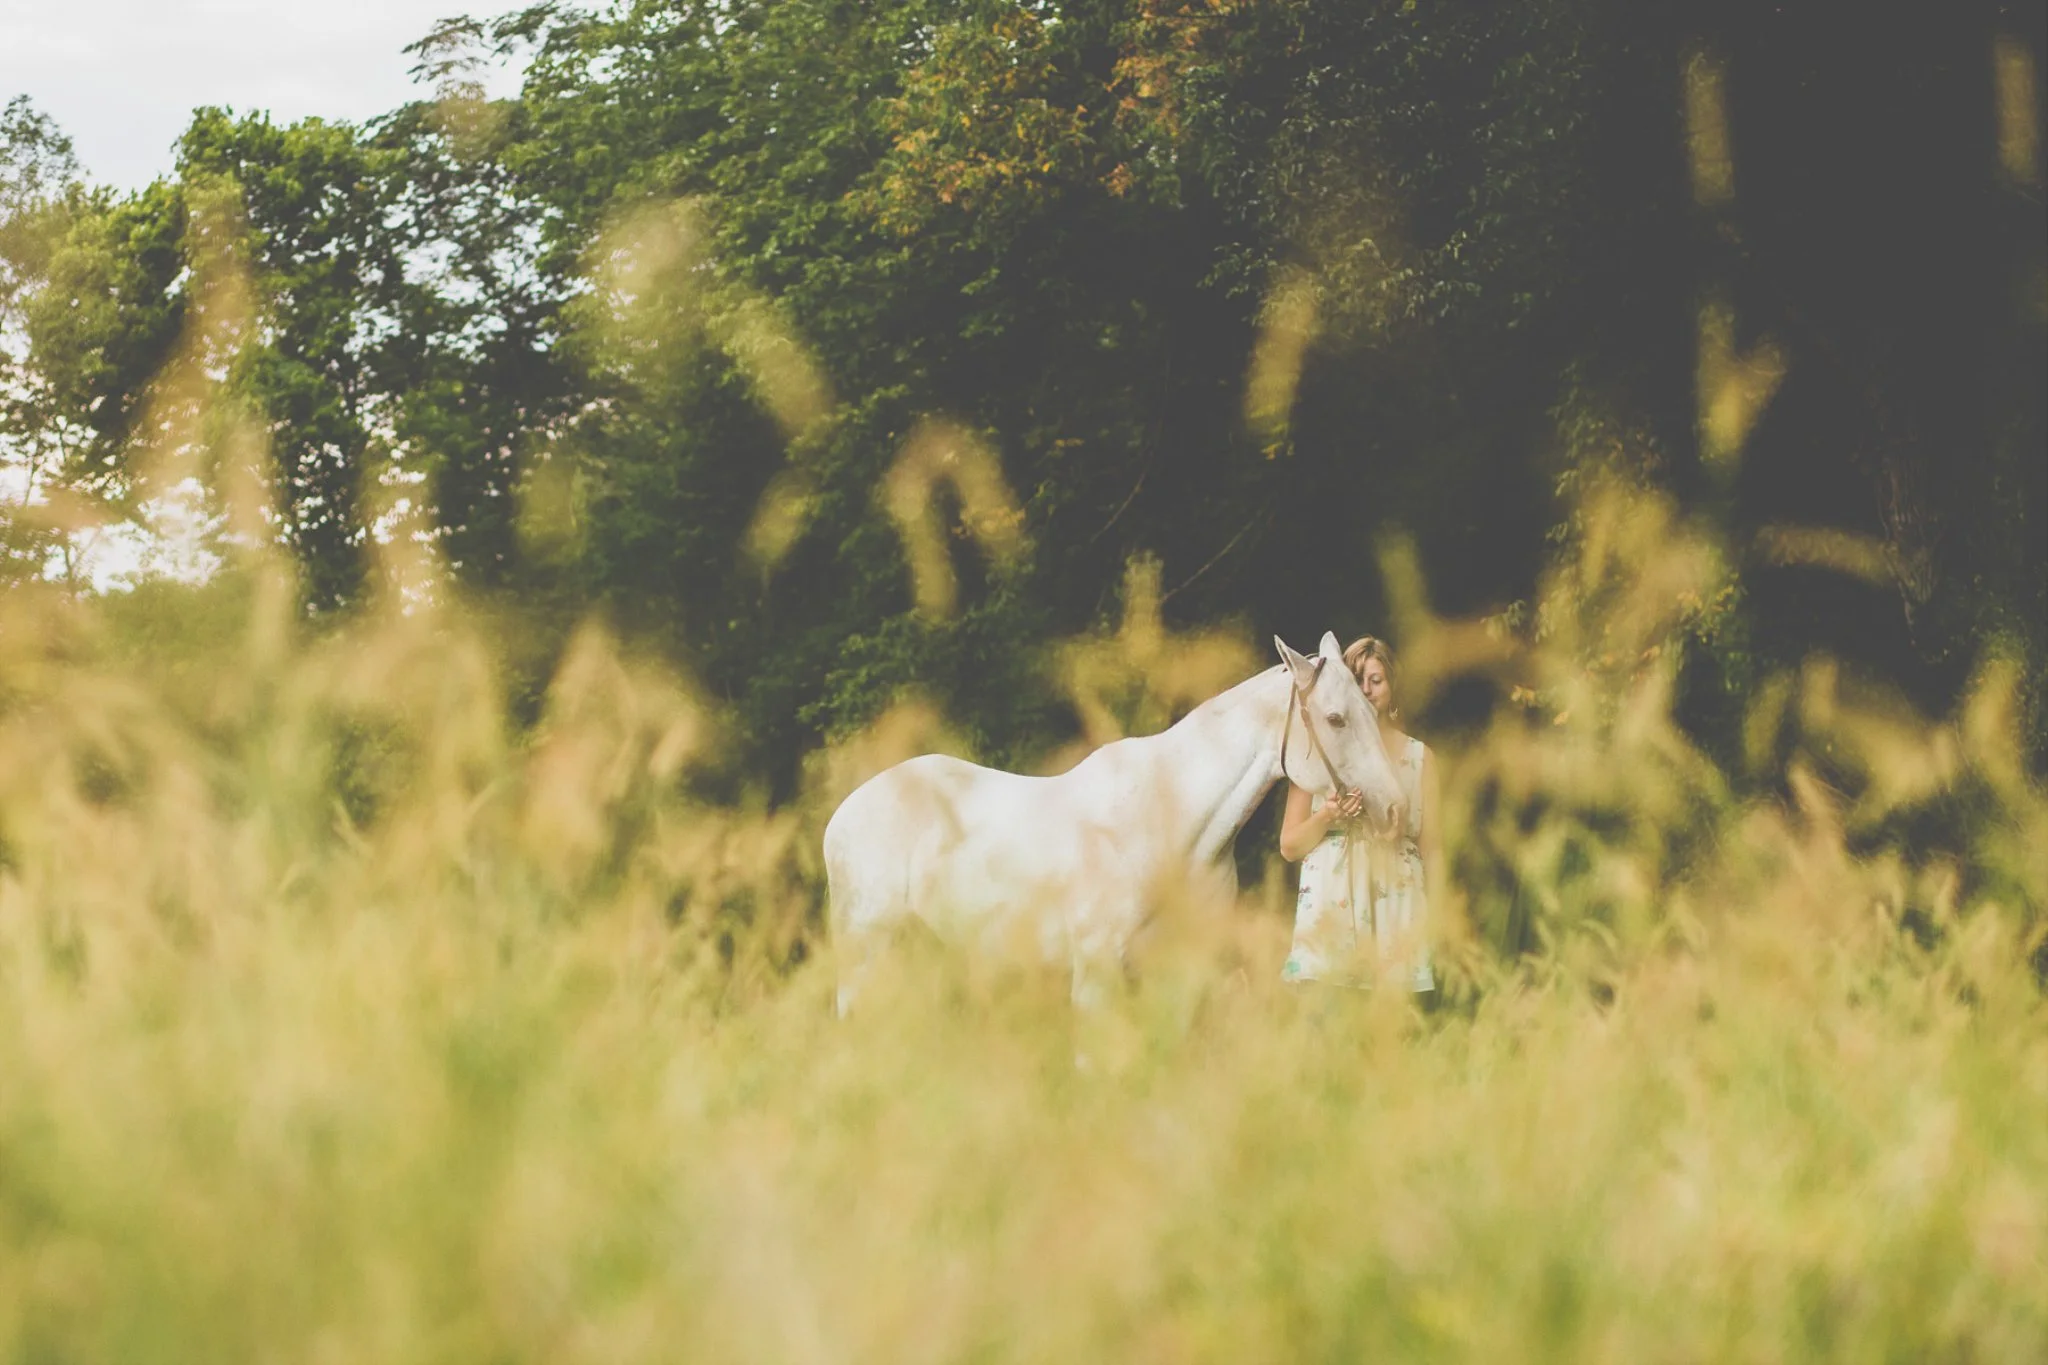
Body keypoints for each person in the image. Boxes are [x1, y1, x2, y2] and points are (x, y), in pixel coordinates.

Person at [1278, 635, 1440, 992]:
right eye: (1357, 681)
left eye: (1376, 680)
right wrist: (1328, 816)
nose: (1366, 690)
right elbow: (1289, 846)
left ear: (1392, 686)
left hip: (1396, 900)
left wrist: (1443, 919)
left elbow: (1433, 848)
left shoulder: (1419, 756)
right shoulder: (1316, 751)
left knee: (1395, 1032)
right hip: (1329, 903)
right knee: (1325, 1026)